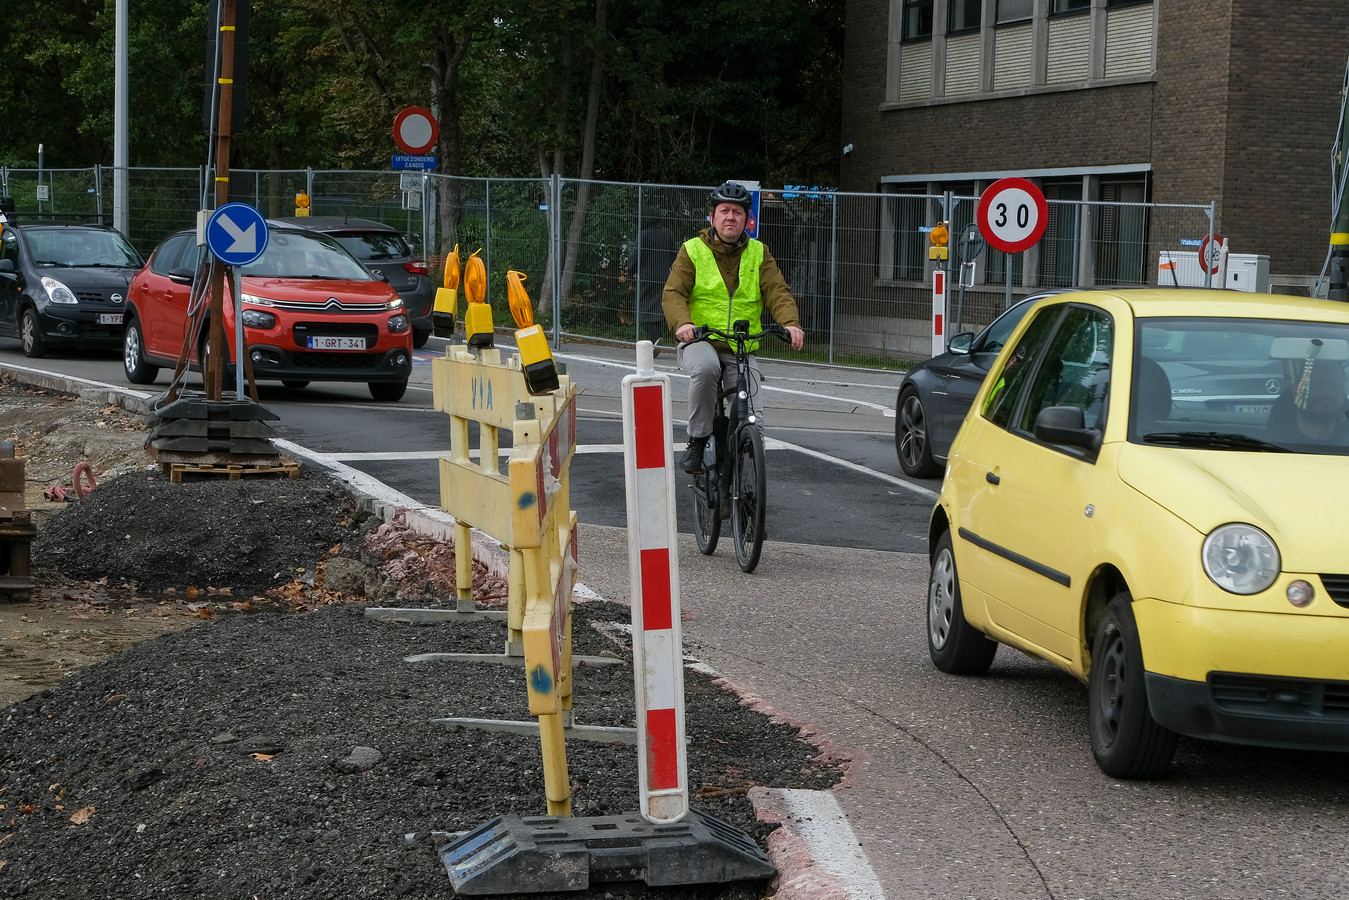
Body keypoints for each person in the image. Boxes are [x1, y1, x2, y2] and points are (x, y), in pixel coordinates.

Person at [663, 181, 806, 472]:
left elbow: (777, 290)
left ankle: (743, 484)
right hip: (701, 340)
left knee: (754, 418)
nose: (731, 217)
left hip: (740, 345)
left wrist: (790, 324)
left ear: (747, 220)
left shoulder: (758, 252)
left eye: (738, 212)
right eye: (725, 211)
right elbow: (674, 293)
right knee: (706, 369)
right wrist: (684, 323)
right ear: (712, 217)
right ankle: (698, 439)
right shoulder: (692, 250)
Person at [1268, 356, 1349, 443]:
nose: (1327, 392)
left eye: (1336, 385)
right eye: (1317, 384)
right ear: (1297, 390)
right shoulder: (1269, 448)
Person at [627, 213, 677, 347]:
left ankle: (655, 337)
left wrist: (631, 271)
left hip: (646, 277)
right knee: (657, 309)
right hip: (663, 277)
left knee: (642, 311)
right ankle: (654, 341)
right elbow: (674, 255)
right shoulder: (667, 233)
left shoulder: (644, 234)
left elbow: (636, 255)